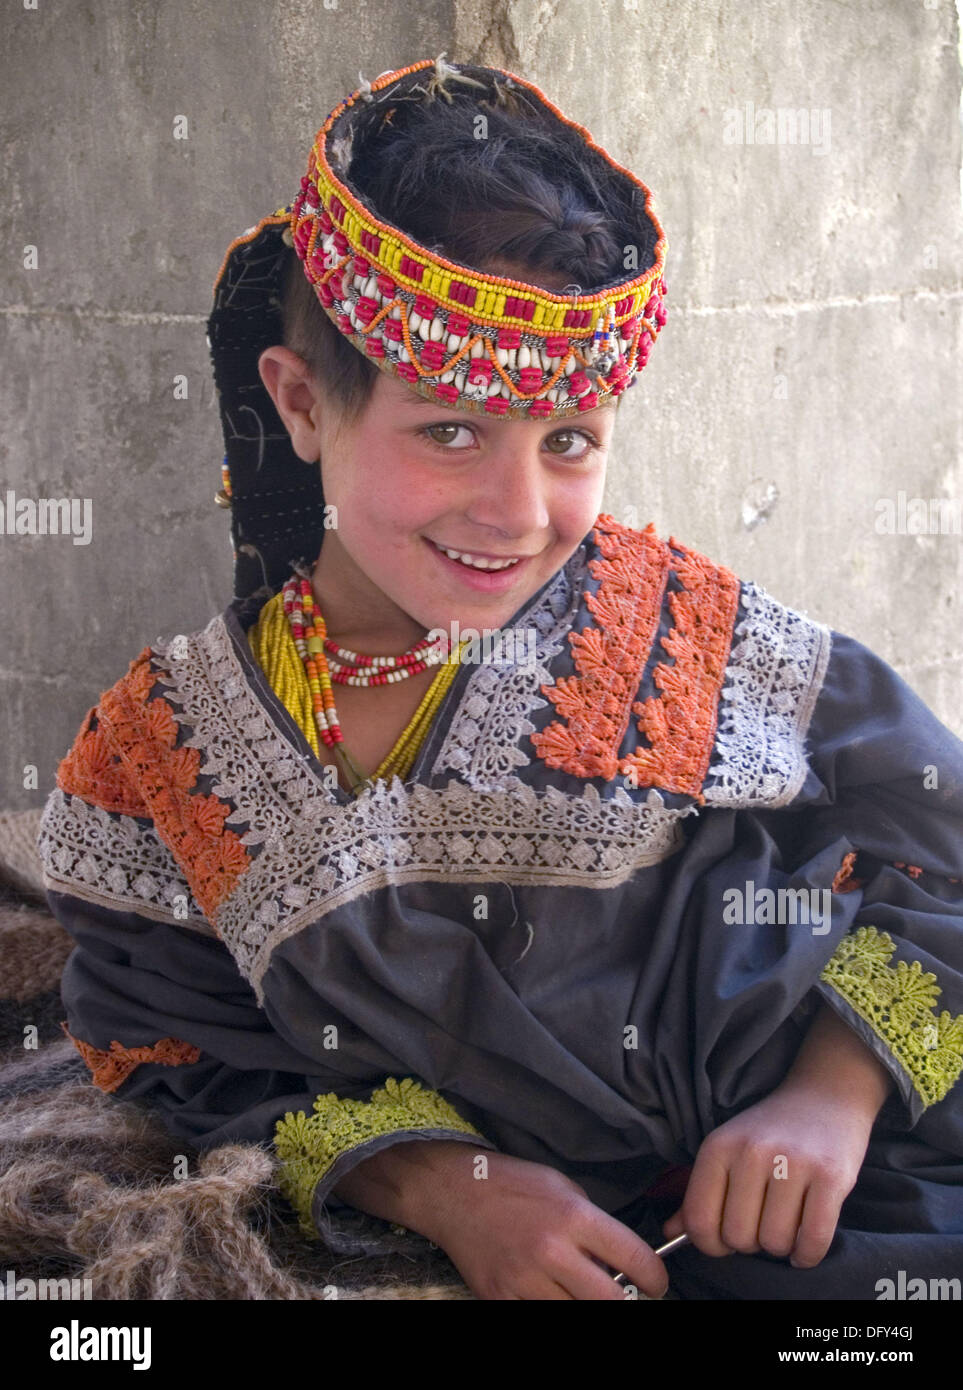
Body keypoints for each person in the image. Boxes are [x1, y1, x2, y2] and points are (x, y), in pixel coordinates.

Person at [37, 56, 963, 1302]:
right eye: (451, 431)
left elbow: (944, 842)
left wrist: (831, 1095)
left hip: (859, 1192)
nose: (520, 513)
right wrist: (445, 1184)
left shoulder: (693, 634)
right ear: (303, 403)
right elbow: (176, 1046)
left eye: (570, 439)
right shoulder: (159, 758)